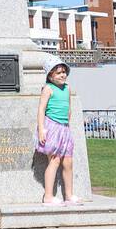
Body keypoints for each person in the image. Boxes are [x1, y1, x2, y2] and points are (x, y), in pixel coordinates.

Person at [36, 57, 82, 206]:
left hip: (64, 128)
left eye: (64, 72)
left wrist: (67, 125)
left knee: (68, 162)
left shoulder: (67, 88)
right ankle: (48, 196)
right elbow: (41, 109)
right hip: (52, 127)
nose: (62, 75)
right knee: (54, 160)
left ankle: (69, 194)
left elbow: (69, 108)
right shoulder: (48, 89)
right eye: (58, 73)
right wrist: (41, 129)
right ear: (50, 75)